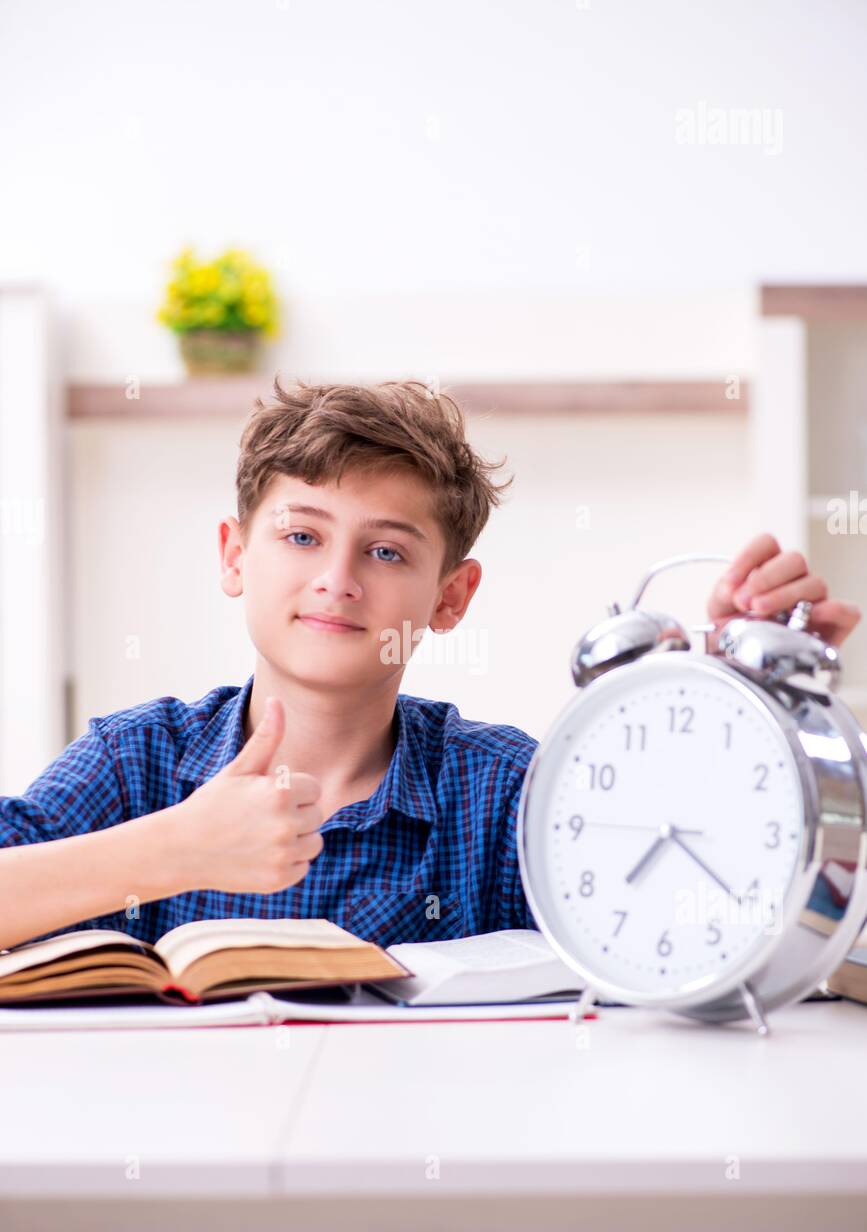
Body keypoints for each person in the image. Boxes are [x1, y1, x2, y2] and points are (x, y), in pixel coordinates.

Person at [0, 379, 860, 951]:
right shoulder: (135, 762)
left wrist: (751, 709)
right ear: (234, 556)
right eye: (301, 537)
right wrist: (172, 849)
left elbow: (712, 914)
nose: (335, 580)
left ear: (450, 598)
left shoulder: (509, 792)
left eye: (385, 552)